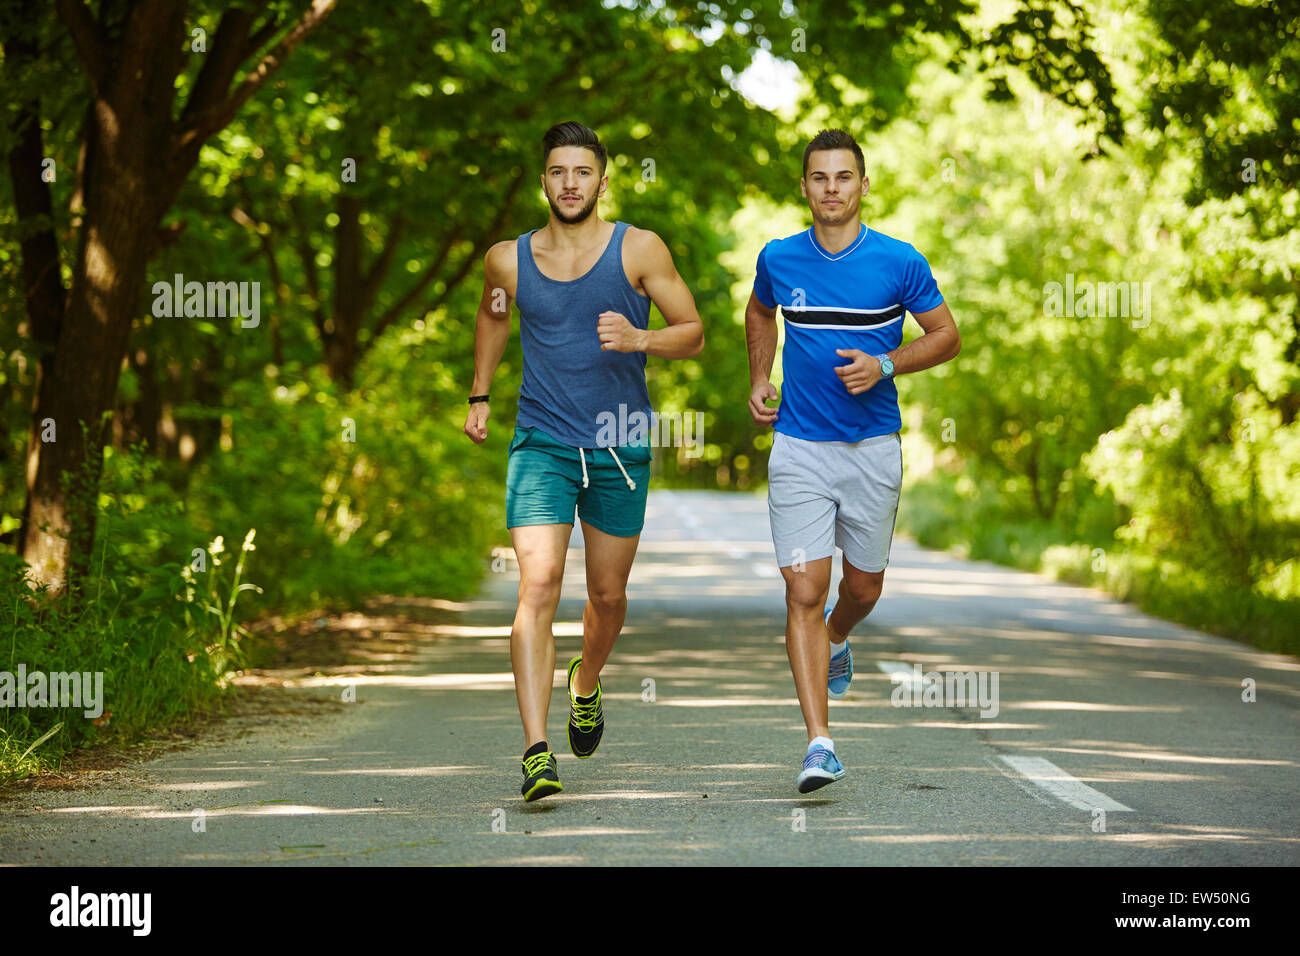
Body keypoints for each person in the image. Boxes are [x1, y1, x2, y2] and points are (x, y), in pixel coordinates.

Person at [464, 121, 704, 801]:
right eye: (558, 172)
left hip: (620, 444)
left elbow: (693, 334)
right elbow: (493, 315)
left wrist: (639, 337)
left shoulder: (638, 250)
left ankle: (586, 681)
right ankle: (537, 751)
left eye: (583, 172)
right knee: (537, 586)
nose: (570, 184)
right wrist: (480, 392)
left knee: (606, 596)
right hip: (541, 442)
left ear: (602, 180)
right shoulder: (506, 260)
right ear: (543, 180)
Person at [745, 128, 960, 793]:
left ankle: (840, 635)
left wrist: (887, 363)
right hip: (800, 447)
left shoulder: (898, 262)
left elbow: (947, 336)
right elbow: (758, 313)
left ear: (863, 186)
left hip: (872, 449)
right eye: (819, 178)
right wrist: (760, 377)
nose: (831, 189)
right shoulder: (779, 258)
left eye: (844, 177)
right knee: (802, 588)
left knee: (861, 589)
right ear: (804, 187)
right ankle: (819, 742)